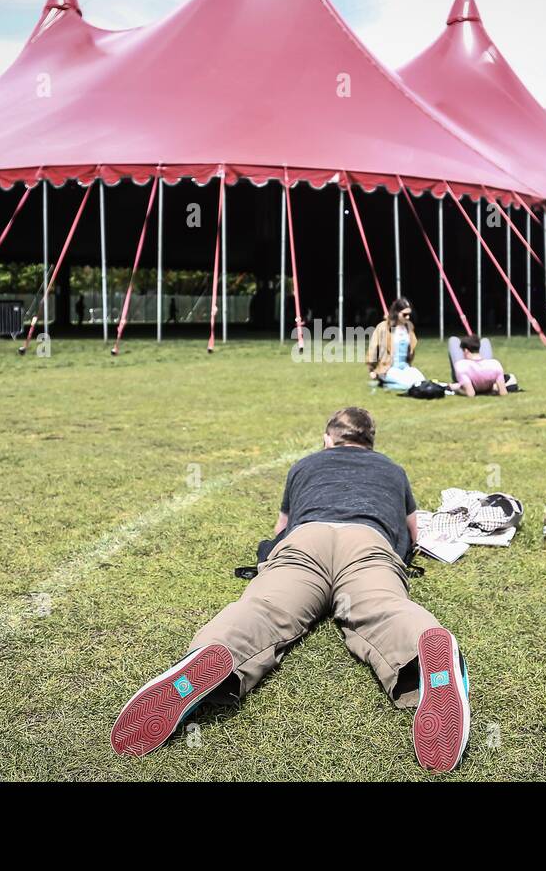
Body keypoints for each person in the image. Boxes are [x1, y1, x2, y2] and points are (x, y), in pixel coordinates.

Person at [111, 407, 470, 772]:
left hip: (306, 539)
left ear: (328, 439)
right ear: (370, 442)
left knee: (264, 608)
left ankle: (216, 650)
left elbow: (282, 526)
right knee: (385, 607)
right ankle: (424, 654)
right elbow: (413, 533)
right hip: (367, 541)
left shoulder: (304, 465)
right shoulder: (392, 469)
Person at [367, 297, 426, 391]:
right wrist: (371, 370)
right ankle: (385, 384)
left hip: (405, 367)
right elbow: (373, 349)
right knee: (409, 385)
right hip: (388, 369)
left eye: (409, 314)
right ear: (397, 312)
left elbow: (411, 349)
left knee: (421, 382)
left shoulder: (409, 327)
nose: (408, 317)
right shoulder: (384, 327)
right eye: (405, 314)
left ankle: (394, 383)